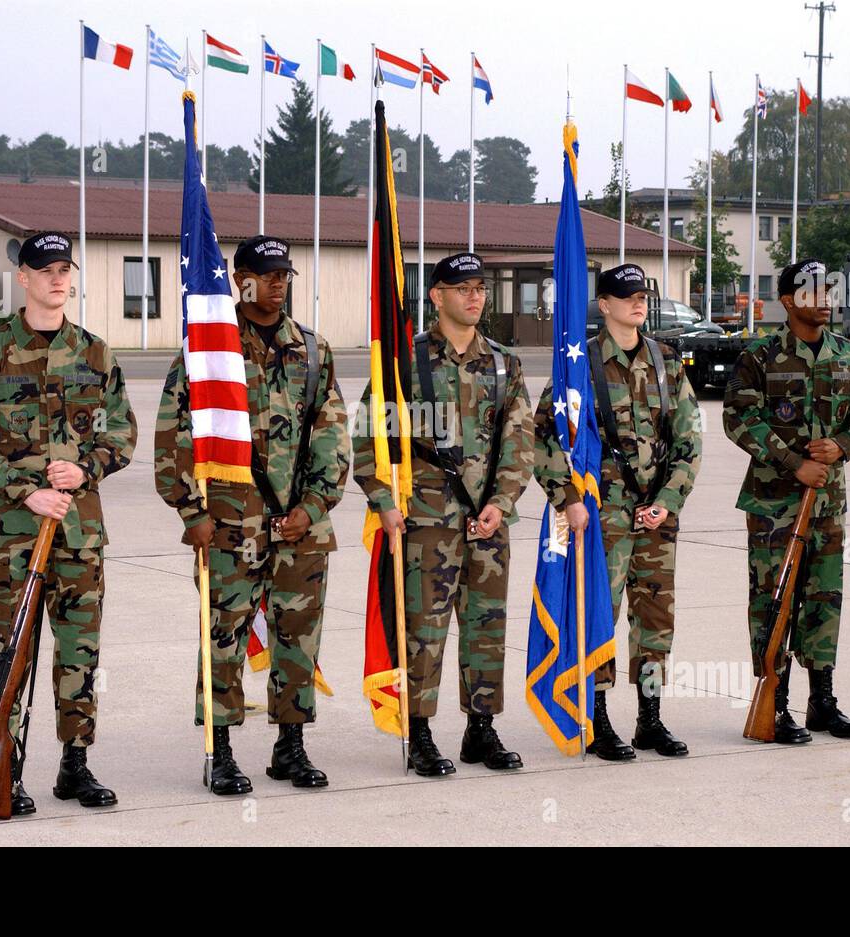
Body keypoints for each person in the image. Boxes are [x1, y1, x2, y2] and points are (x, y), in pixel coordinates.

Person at [155, 235, 349, 795]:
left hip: (301, 529)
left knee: (298, 638)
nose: (277, 283)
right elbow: (175, 437)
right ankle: (220, 751)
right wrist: (191, 511)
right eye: (265, 274)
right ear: (239, 278)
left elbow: (333, 439)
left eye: (284, 274)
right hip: (229, 526)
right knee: (224, 637)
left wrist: (312, 507)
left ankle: (291, 747)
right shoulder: (208, 348)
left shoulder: (313, 350)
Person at [0, 231, 137, 812]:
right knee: (10, 650)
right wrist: (26, 491)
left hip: (79, 532)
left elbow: (121, 432)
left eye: (65, 268)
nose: (58, 279)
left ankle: (75, 765)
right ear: (23, 278)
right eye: (46, 269)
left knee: (80, 648)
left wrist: (86, 470)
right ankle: (6, 766)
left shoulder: (96, 353)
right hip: (14, 533)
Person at [352, 252, 532, 776]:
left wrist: (501, 502)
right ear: (436, 296)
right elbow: (370, 438)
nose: (475, 297)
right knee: (424, 632)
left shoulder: (504, 363)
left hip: (488, 523)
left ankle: (481, 728)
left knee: (486, 627)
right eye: (462, 288)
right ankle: (421, 731)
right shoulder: (404, 364)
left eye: (480, 288)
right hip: (425, 520)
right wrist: (384, 504)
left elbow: (519, 440)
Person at [533, 263, 702, 759]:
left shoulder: (666, 360)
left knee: (654, 620)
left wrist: (668, 501)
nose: (637, 303)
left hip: (656, 517)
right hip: (600, 518)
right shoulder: (579, 365)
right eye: (626, 296)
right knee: (599, 618)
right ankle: (598, 718)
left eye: (642, 295)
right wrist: (566, 499)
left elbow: (689, 439)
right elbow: (543, 436)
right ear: (603, 305)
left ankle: (650, 718)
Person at [723, 258, 850, 743]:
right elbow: (739, 419)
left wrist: (843, 446)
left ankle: (823, 702)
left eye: (830, 290)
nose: (826, 299)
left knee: (823, 600)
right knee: (775, 603)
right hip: (775, 505)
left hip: (828, 504)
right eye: (815, 291)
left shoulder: (847, 354)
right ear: (790, 301)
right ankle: (776, 704)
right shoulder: (761, 355)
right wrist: (794, 462)